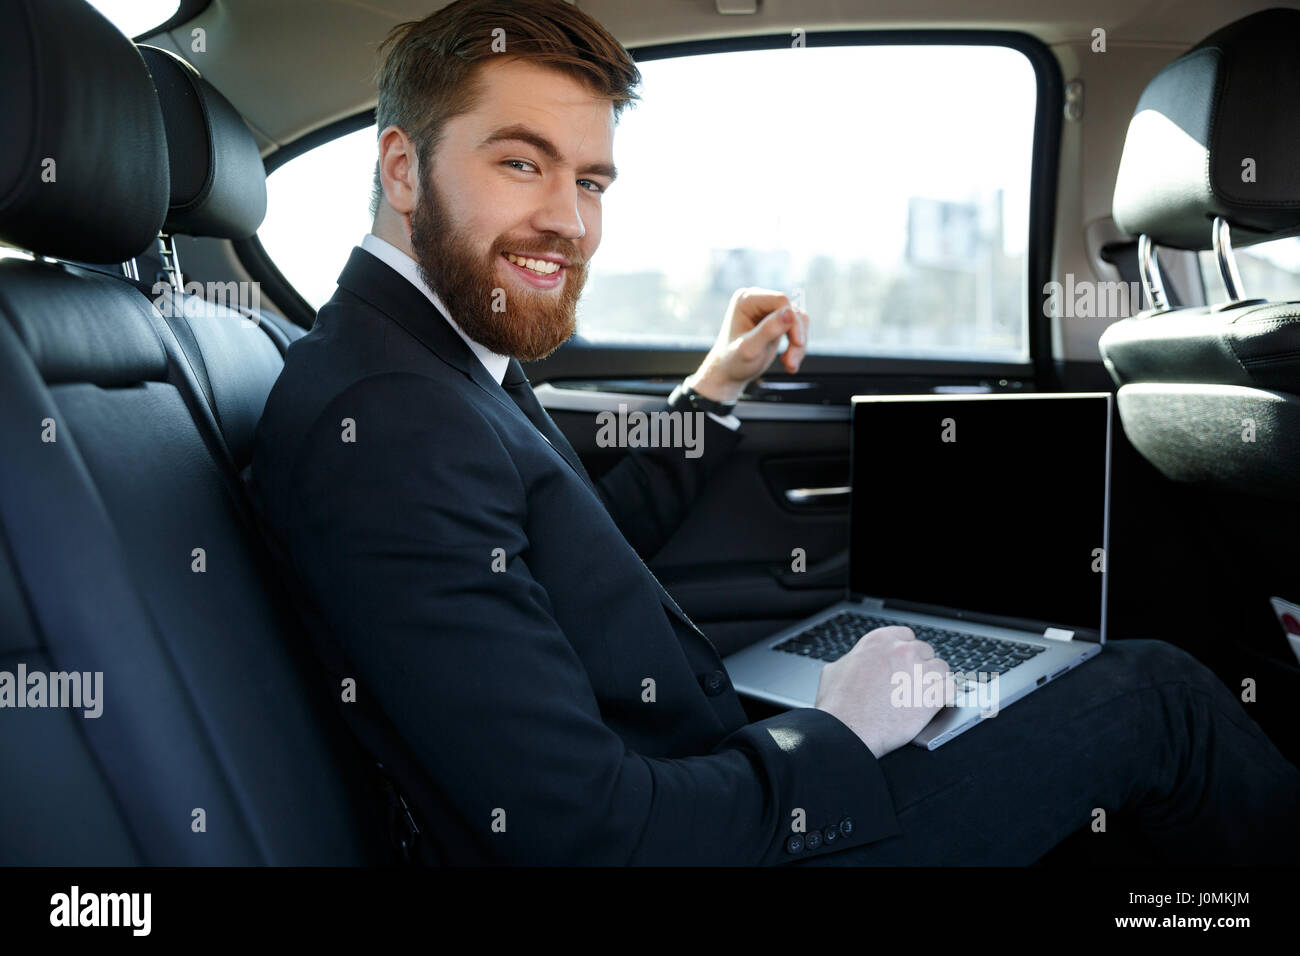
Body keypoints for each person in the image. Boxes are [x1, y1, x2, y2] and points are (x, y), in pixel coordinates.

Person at [247, 0, 1300, 865]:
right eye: (521, 164)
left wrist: (710, 387)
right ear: (399, 170)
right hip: (718, 842)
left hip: (712, 788)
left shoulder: (429, 358)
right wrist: (835, 730)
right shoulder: (384, 423)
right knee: (1151, 692)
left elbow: (570, 545)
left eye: (592, 179)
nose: (570, 220)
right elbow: (579, 835)